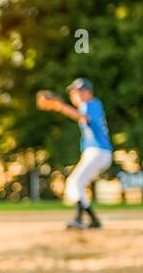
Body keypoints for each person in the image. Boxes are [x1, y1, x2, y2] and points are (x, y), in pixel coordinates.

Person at [38, 78, 112, 229]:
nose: (74, 95)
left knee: (75, 182)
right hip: (97, 152)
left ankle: (80, 219)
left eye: (77, 92)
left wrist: (60, 106)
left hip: (98, 151)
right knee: (76, 184)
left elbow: (83, 117)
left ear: (87, 93)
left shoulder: (89, 105)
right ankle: (92, 220)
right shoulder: (92, 105)